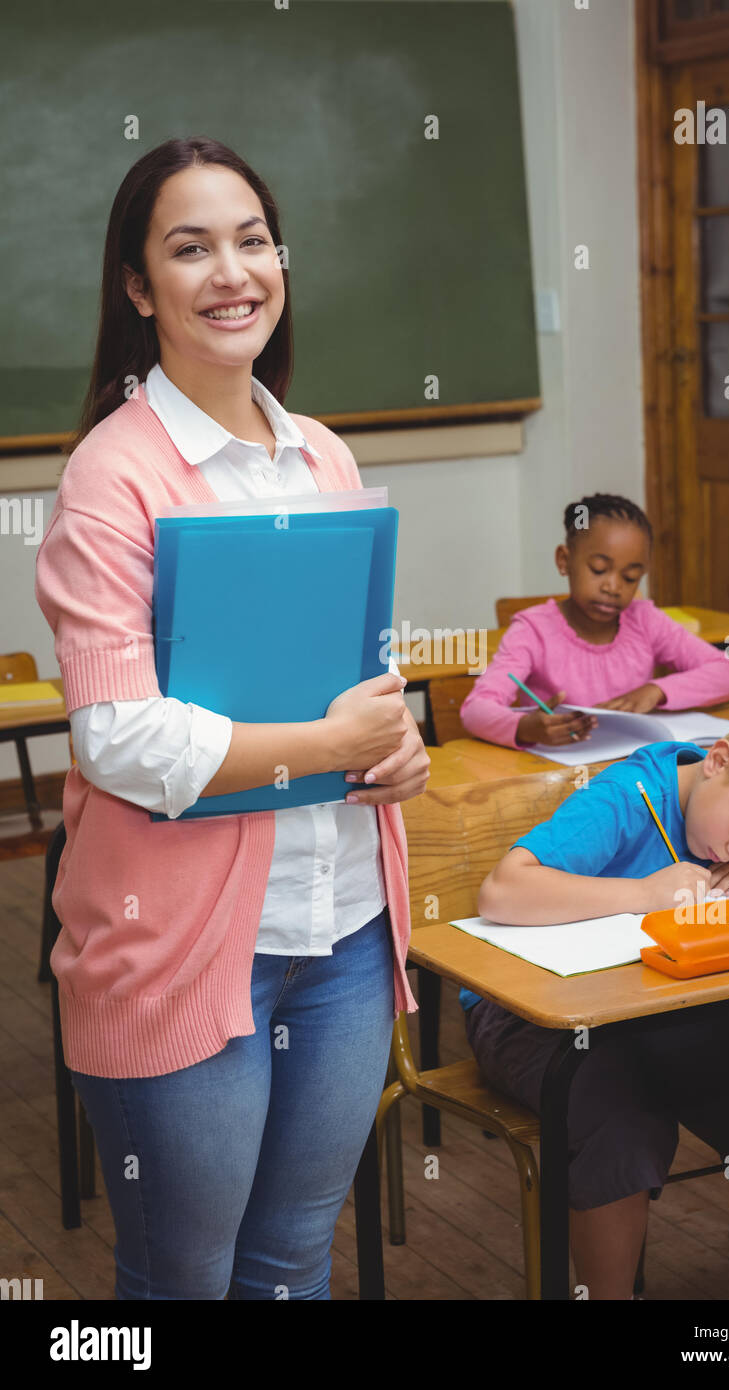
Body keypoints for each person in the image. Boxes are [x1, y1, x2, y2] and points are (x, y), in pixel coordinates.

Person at [34, 136, 430, 1300]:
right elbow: (117, 735)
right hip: (187, 943)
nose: (231, 271)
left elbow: (361, 677)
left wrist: (390, 749)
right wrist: (325, 748)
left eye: (251, 240)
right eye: (190, 247)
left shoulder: (320, 454)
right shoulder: (113, 476)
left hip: (345, 929)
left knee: (291, 1261)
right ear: (136, 284)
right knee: (184, 1277)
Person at [459, 711, 729, 1300]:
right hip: (529, 1014)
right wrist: (644, 895)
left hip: (655, 1009)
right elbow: (503, 892)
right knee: (622, 1128)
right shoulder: (626, 798)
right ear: (719, 760)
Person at [460, 493, 729, 749]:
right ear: (564, 561)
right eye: (599, 569)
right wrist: (524, 728)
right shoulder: (533, 630)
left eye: (630, 577)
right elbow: (476, 709)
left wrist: (656, 691)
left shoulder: (644, 619)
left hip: (630, 768)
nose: (613, 587)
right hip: (554, 772)